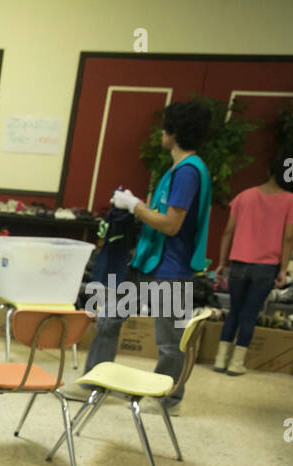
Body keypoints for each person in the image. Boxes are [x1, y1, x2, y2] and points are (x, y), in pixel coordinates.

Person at [83, 100, 213, 412]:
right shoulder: (179, 170)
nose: (160, 132)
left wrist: (134, 206)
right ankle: (94, 382)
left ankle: (169, 398)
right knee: (109, 318)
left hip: (171, 271)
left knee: (170, 343)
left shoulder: (188, 172)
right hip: (149, 265)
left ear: (175, 132)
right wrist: (138, 205)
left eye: (165, 126)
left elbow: (171, 225)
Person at [212, 154, 293, 375]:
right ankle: (236, 364)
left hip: (239, 263)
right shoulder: (292, 201)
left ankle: (219, 360)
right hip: (266, 267)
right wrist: (283, 269)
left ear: (269, 171)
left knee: (234, 311)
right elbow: (289, 238)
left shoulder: (245, 196)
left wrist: (222, 263)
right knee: (249, 315)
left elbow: (228, 232)